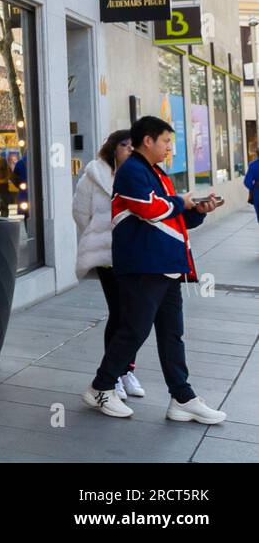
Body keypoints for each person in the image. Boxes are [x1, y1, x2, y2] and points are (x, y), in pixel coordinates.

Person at [82, 116, 226, 423]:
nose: (169, 148)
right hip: (143, 266)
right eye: (165, 142)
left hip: (165, 265)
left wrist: (196, 211)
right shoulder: (131, 170)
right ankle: (101, 387)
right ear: (147, 140)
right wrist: (181, 202)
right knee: (134, 330)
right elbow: (149, 208)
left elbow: (169, 216)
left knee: (172, 334)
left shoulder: (156, 173)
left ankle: (182, 397)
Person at [73, 130, 144, 400]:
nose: (129, 150)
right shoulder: (95, 175)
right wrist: (97, 235)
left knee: (135, 316)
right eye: (125, 145)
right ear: (113, 148)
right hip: (107, 255)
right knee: (119, 312)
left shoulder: (140, 174)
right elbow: (80, 211)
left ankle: (126, 371)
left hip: (135, 254)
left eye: (132, 146)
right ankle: (111, 375)